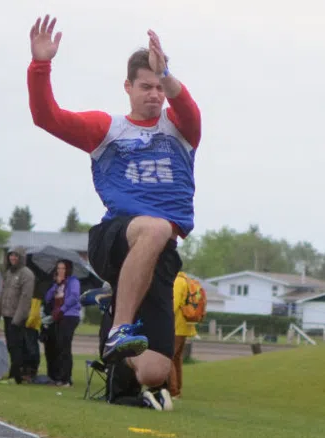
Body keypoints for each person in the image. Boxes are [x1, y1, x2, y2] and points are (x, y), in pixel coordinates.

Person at [27, 15, 201, 400]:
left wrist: (167, 72)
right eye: (146, 86)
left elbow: (187, 106)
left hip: (159, 253)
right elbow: (46, 117)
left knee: (155, 373)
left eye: (159, 87)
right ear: (128, 87)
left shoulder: (181, 130)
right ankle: (122, 323)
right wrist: (41, 66)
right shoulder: (109, 129)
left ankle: (114, 320)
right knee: (155, 227)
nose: (155, 94)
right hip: (115, 237)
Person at [0, 247, 36, 383]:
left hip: (17, 317)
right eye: (11, 255)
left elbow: (25, 298)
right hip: (7, 314)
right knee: (11, 345)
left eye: (16, 256)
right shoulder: (9, 273)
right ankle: (14, 373)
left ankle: (15, 376)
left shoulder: (27, 274)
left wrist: (17, 319)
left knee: (17, 346)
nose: (13, 258)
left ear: (21, 257)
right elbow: (2, 294)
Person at [43, 260, 81, 386]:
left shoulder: (73, 282)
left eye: (63, 268)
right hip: (58, 317)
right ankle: (57, 376)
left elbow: (74, 297)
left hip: (70, 315)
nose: (60, 271)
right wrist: (56, 285)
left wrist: (62, 309)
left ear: (68, 269)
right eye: (58, 268)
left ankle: (66, 378)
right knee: (58, 345)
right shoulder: (58, 284)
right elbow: (48, 298)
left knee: (65, 346)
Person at [169, 272, 199, 399]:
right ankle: (177, 388)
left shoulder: (177, 282)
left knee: (168, 357)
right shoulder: (187, 280)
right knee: (176, 358)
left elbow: (173, 304)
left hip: (176, 326)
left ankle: (173, 391)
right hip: (185, 326)